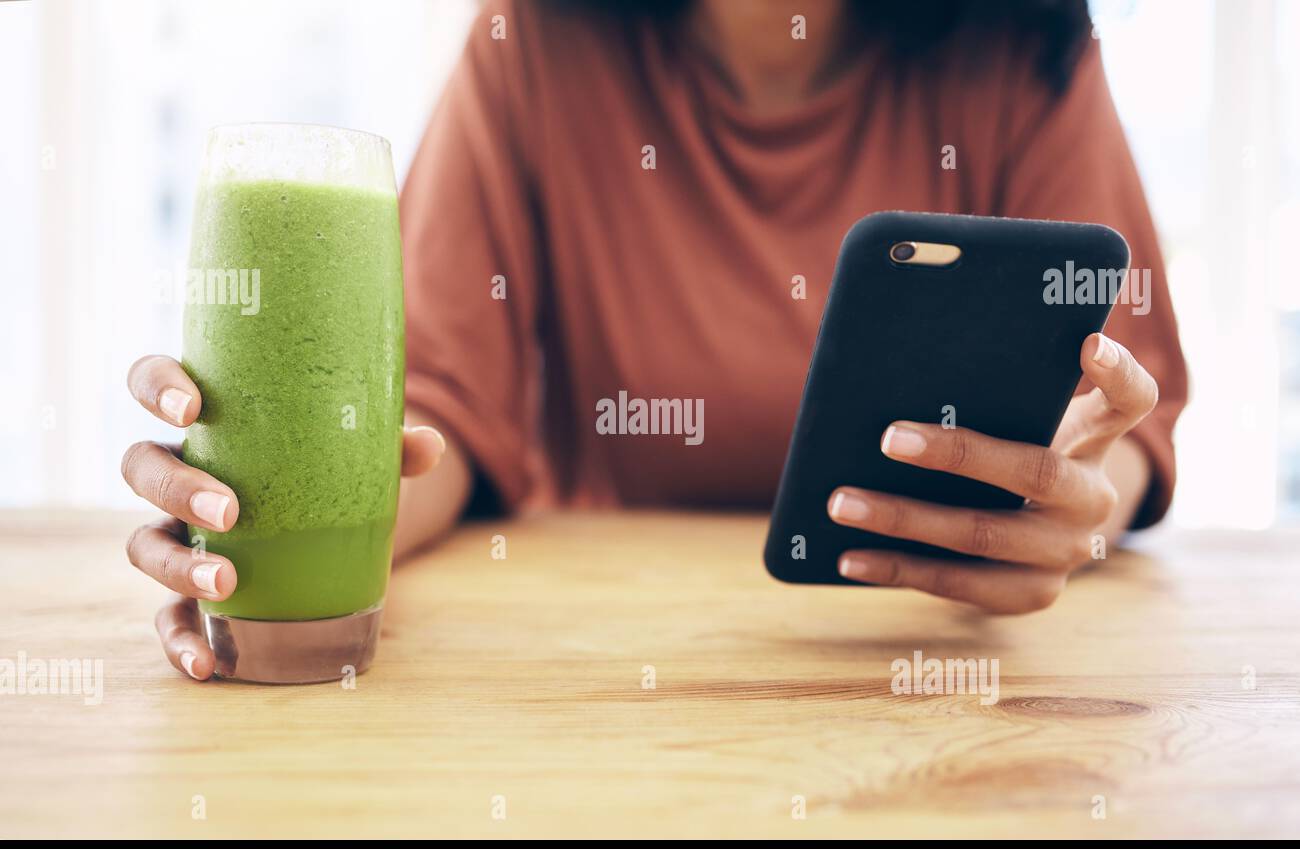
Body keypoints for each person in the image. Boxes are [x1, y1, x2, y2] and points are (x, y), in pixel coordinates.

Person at [122, 0, 1188, 680]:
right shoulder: (532, 39)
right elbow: (431, 421)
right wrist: (260, 520)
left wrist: (1085, 506)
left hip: (939, 667)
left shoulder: (1024, 43)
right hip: (617, 668)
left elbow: (1130, 418)